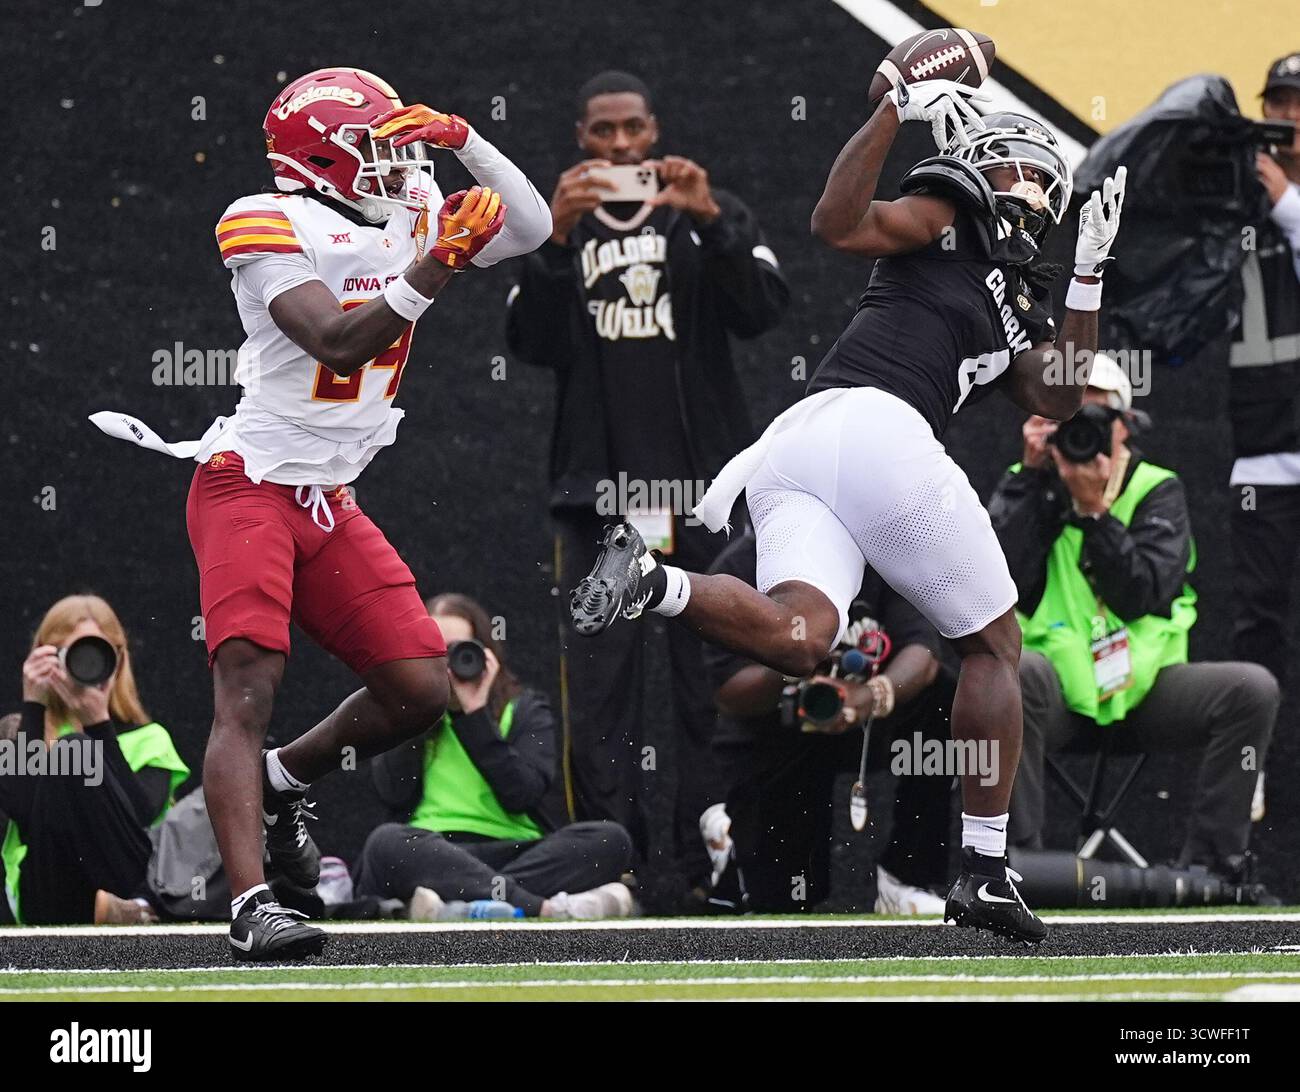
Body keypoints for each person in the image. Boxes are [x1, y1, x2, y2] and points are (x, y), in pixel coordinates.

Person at [569, 76, 1129, 943]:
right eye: (1024, 172)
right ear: (979, 167)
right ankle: (982, 869)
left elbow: (1057, 400)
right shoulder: (940, 215)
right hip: (875, 424)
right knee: (993, 644)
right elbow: (835, 221)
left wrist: (1087, 274)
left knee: (801, 637)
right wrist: (892, 109)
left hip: (799, 444)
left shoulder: (1008, 291)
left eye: (1049, 184)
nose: (1041, 194)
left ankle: (656, 582)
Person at [90, 67, 551, 958]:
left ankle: (283, 779)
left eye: (403, 146)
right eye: (376, 148)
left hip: (326, 494)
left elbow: (531, 226)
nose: (401, 164)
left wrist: (464, 139)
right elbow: (337, 338)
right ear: (315, 162)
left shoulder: (413, 199)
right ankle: (252, 904)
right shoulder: (262, 218)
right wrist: (438, 261)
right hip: (246, 483)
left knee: (419, 686)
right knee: (247, 688)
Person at [504, 70, 788, 899]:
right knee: (600, 698)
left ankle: (712, 866)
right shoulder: (558, 230)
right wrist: (552, 241)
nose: (621, 147)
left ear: (656, 130)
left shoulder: (704, 211)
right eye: (603, 133)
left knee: (712, 683)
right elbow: (530, 339)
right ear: (581, 140)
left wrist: (715, 218)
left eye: (634, 130)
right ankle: (612, 867)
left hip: (704, 501)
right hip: (602, 507)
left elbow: (765, 308)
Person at [989, 356, 1278, 879]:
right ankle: (1018, 866)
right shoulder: (1025, 482)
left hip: (1145, 690)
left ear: (1124, 424)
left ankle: (1214, 869)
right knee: (1014, 673)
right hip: (1056, 697)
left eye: (1095, 419)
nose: (1082, 431)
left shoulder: (1157, 489)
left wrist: (1095, 514)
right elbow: (994, 586)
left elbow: (1144, 593)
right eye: (1069, 416)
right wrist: (1033, 482)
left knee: (1250, 688)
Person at [701, 529, 953, 914]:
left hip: (868, 718)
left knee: (944, 700)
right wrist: (792, 668)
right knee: (785, 901)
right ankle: (734, 840)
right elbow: (728, 690)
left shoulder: (883, 551)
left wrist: (870, 697)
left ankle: (906, 878)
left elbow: (923, 653)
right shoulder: (741, 565)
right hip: (780, 727)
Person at [357, 593, 635, 919]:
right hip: (436, 852)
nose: (447, 665)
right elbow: (392, 790)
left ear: (483, 653)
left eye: (458, 650)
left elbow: (522, 794)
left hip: (516, 851)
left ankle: (455, 905)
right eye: (435, 652)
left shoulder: (525, 710)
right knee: (385, 844)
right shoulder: (405, 714)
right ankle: (542, 907)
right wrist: (420, 707)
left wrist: (473, 716)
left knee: (609, 840)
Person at [1, 595, 189, 925]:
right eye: (67, 652)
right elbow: (21, 811)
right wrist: (34, 705)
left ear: (116, 660)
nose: (81, 664)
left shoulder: (151, 739)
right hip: (47, 893)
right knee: (73, 751)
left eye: (92, 651)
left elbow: (141, 818)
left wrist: (98, 724)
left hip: (127, 886)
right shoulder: (17, 733)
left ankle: (126, 910)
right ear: (44, 654)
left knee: (77, 750)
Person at [1230, 52, 1300, 819]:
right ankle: (1249, 790)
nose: (1287, 117)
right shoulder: (1242, 204)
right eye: (1277, 101)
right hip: (1262, 454)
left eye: (1299, 103)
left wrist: (1285, 205)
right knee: (1259, 628)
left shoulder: (1280, 205)